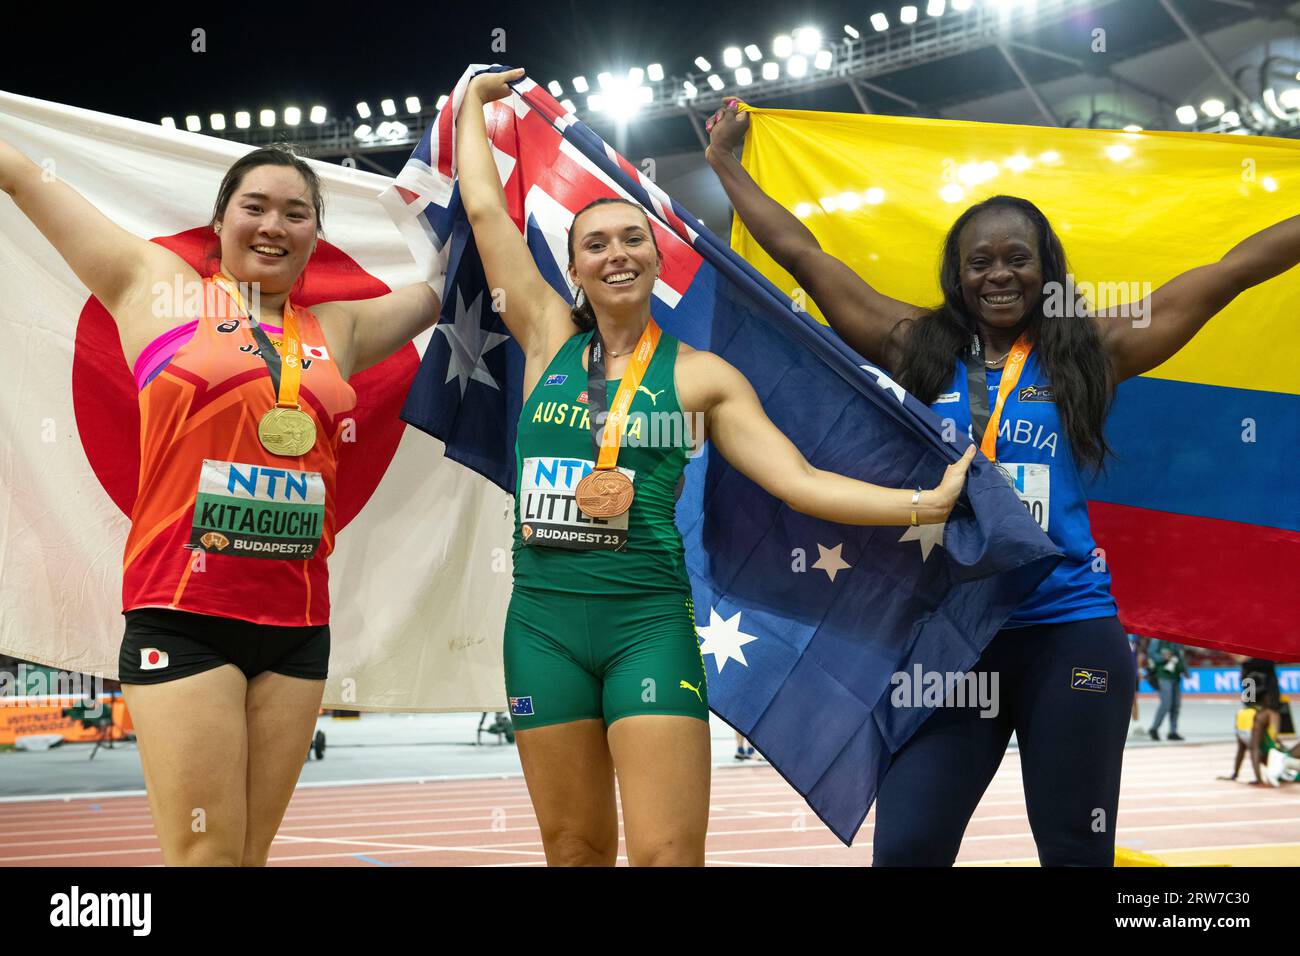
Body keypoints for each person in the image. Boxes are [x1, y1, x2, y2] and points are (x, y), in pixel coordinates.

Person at [704, 98, 1300, 865]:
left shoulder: (1093, 351)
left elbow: (1228, 274)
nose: (998, 273)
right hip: (954, 640)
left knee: (1075, 854)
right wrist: (724, 166)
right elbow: (806, 255)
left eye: (1017, 257)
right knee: (908, 849)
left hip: (1070, 636)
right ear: (957, 273)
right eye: (979, 260)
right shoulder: (914, 345)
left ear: (1045, 268)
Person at [458, 70, 975, 866]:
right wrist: (470, 105)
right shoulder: (543, 337)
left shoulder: (702, 376)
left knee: (667, 855)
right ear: (576, 270)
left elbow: (797, 480)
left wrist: (924, 505)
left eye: (633, 239)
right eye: (595, 244)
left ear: (656, 259)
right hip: (540, 628)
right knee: (571, 848)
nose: (617, 253)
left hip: (648, 629)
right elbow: (487, 209)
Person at [0, 139, 440, 864]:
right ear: (220, 219)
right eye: (255, 207)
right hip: (184, 620)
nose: (274, 225)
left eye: (297, 213)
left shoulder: (338, 331)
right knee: (205, 856)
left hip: (298, 629)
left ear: (315, 236)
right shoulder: (155, 288)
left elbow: (449, 285)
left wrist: (495, 172)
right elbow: (19, 176)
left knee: (250, 855)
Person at [1147, 640, 1187, 741]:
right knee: (1166, 704)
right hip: (1163, 675)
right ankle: (1154, 729)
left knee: (1176, 705)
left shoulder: (1176, 640)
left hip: (1176, 676)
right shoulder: (1157, 640)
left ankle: (1173, 732)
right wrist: (1163, 658)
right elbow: (1151, 653)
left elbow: (1179, 656)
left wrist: (1185, 670)